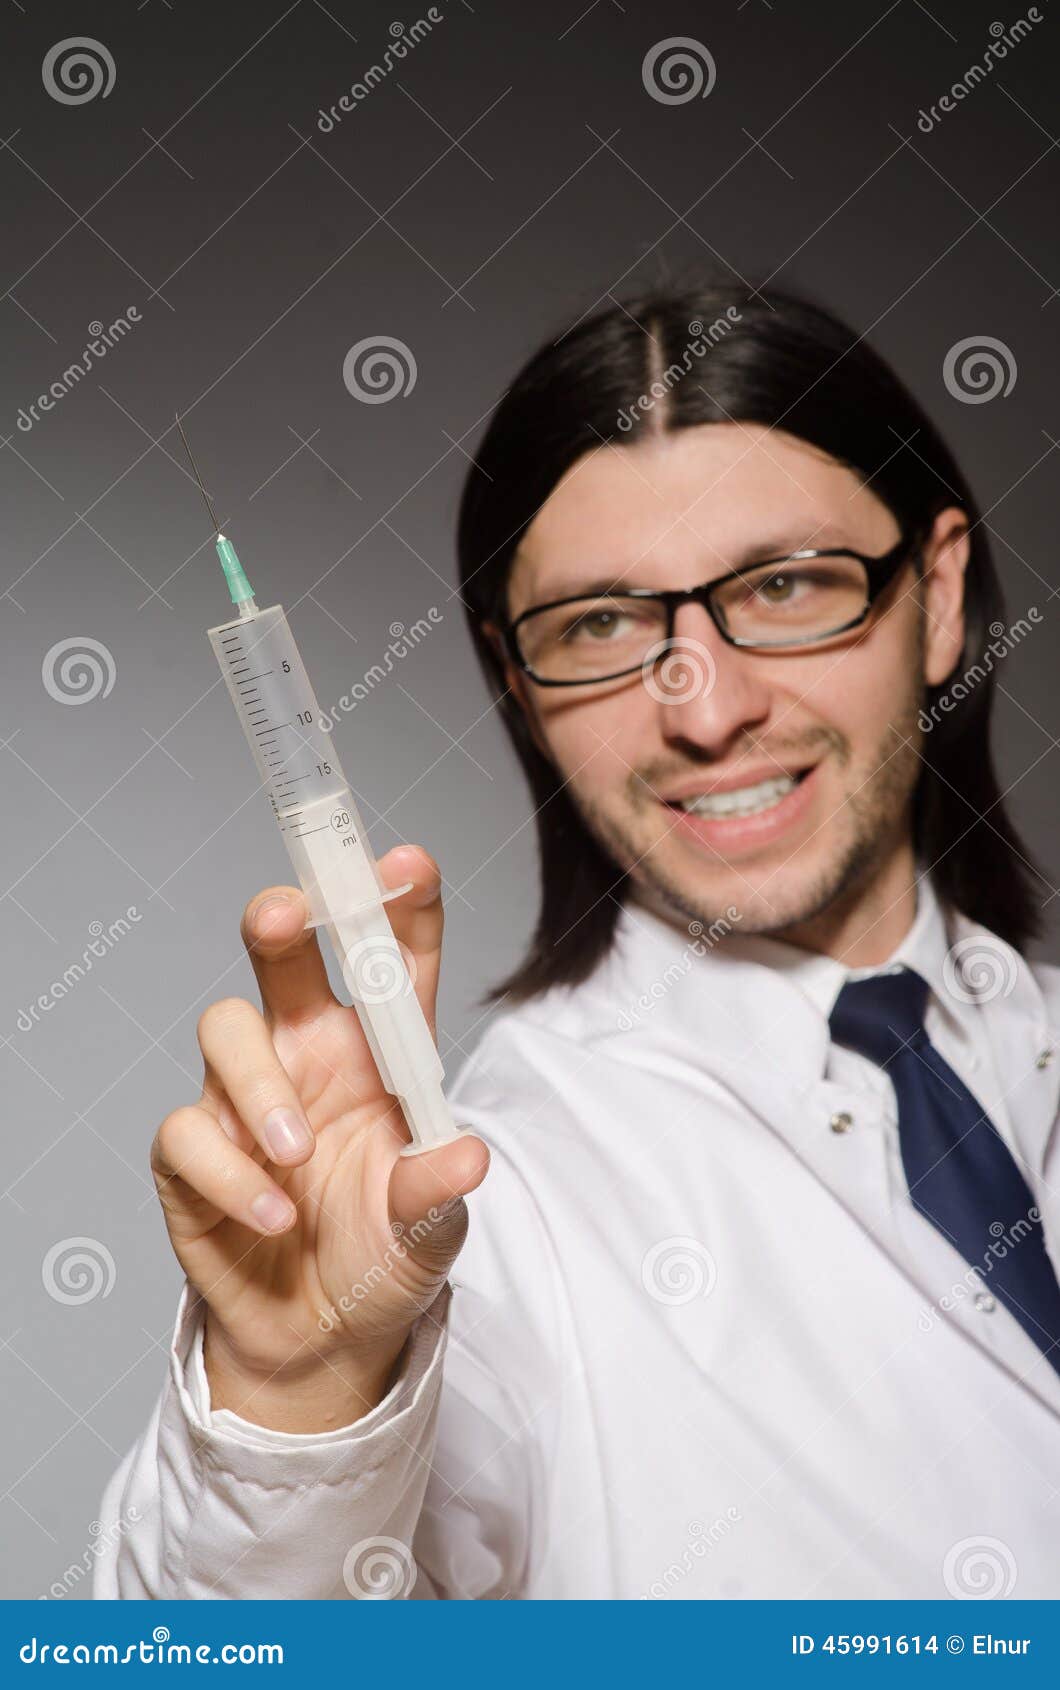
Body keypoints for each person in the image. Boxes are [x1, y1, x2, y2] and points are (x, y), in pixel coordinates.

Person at [94, 281, 1060, 1601]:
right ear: (514, 674)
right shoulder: (491, 1211)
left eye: (785, 585)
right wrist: (292, 1397)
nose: (706, 708)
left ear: (939, 596)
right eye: (601, 624)